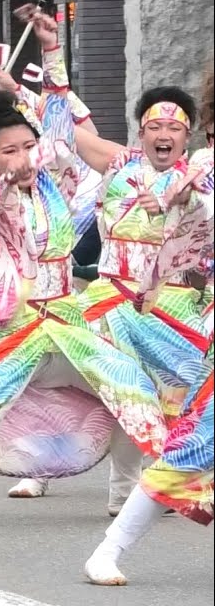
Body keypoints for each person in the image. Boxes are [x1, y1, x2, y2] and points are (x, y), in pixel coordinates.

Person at [0, 20, 166, 509]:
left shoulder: (54, 180)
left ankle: (124, 495)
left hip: (65, 320)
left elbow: (59, 115)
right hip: (14, 327)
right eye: (9, 151)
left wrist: (52, 49)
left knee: (130, 390)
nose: (22, 157)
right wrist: (5, 183)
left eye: (28, 147)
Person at [73, 85, 210, 439]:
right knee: (117, 398)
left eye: (174, 128)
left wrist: (179, 201)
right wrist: (34, 80)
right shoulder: (120, 164)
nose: (164, 135)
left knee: (173, 412)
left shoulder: (199, 180)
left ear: (187, 136)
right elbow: (64, 130)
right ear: (141, 132)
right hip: (109, 301)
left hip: (170, 307)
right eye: (155, 127)